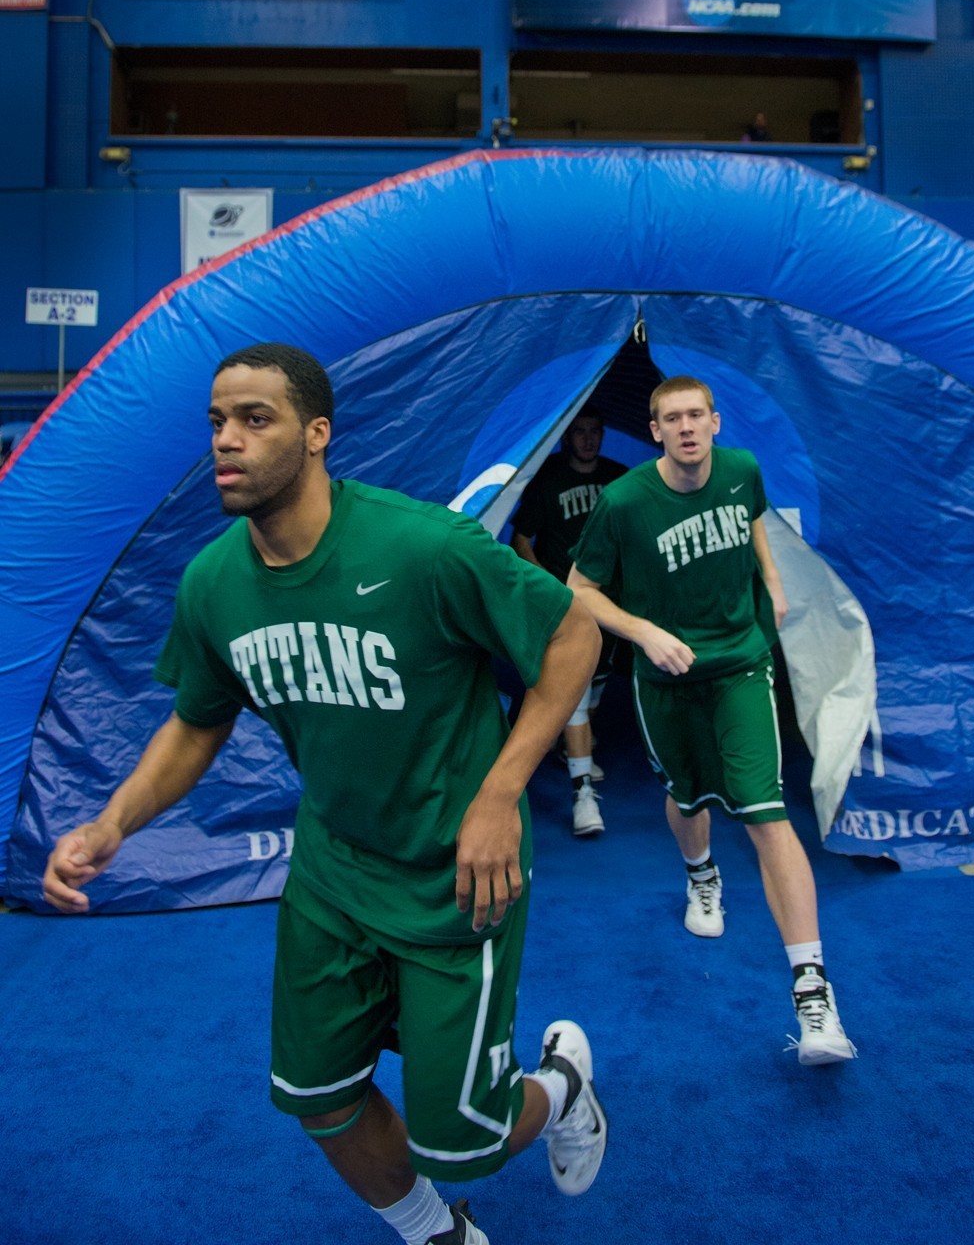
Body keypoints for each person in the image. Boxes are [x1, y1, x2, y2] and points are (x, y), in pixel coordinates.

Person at [43, 343, 609, 1245]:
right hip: (333, 874)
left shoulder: (422, 547)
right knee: (319, 1098)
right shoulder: (214, 582)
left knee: (464, 1141)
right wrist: (112, 823)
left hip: (452, 878)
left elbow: (574, 635)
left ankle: (567, 1087)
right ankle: (437, 1234)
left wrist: (502, 794)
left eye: (254, 419)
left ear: (316, 435)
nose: (226, 440)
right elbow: (197, 722)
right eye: (218, 421)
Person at [567, 376, 855, 1067]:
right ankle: (700, 873)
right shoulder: (626, 501)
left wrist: (775, 585)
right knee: (688, 796)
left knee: (765, 811)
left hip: (740, 663)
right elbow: (578, 591)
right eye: (672, 418)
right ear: (656, 431)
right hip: (667, 678)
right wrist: (642, 632)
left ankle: (813, 996)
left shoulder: (742, 470)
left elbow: (753, 521)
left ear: (716, 422)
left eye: (697, 415)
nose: (687, 427)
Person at [511, 409, 626, 838]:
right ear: (565, 437)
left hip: (610, 601)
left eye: (595, 431)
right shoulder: (548, 481)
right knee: (573, 690)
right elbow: (519, 537)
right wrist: (545, 586)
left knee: (595, 684)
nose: (588, 440)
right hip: (565, 605)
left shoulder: (621, 477)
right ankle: (582, 795)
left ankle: (572, 744)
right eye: (579, 432)